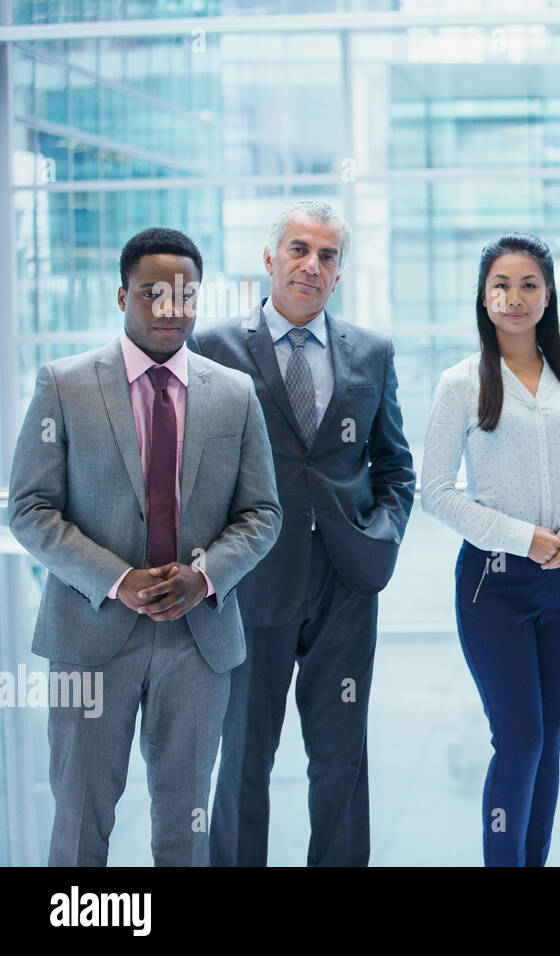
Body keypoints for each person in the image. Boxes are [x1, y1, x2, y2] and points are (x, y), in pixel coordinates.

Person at [8, 227, 281, 866]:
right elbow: (29, 508)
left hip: (198, 640)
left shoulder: (234, 395)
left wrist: (205, 577)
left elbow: (262, 513)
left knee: (184, 830)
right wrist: (117, 579)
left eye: (185, 295)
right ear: (121, 295)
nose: (169, 309)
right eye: (152, 294)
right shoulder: (64, 385)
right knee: (79, 825)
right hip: (90, 633)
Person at [192, 200, 416, 867]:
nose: (311, 265)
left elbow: (395, 465)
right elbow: (195, 470)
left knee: (342, 759)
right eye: (298, 249)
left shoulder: (371, 353)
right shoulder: (214, 348)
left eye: (327, 255)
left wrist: (380, 537)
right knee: (242, 756)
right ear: (269, 258)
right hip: (253, 580)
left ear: (340, 272)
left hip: (347, 580)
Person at [422, 233, 560, 866]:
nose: (515, 297)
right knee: (518, 739)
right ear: (484, 297)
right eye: (502, 285)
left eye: (528, 285)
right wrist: (525, 538)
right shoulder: (460, 383)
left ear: (547, 297)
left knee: (549, 742)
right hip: (493, 586)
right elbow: (434, 491)